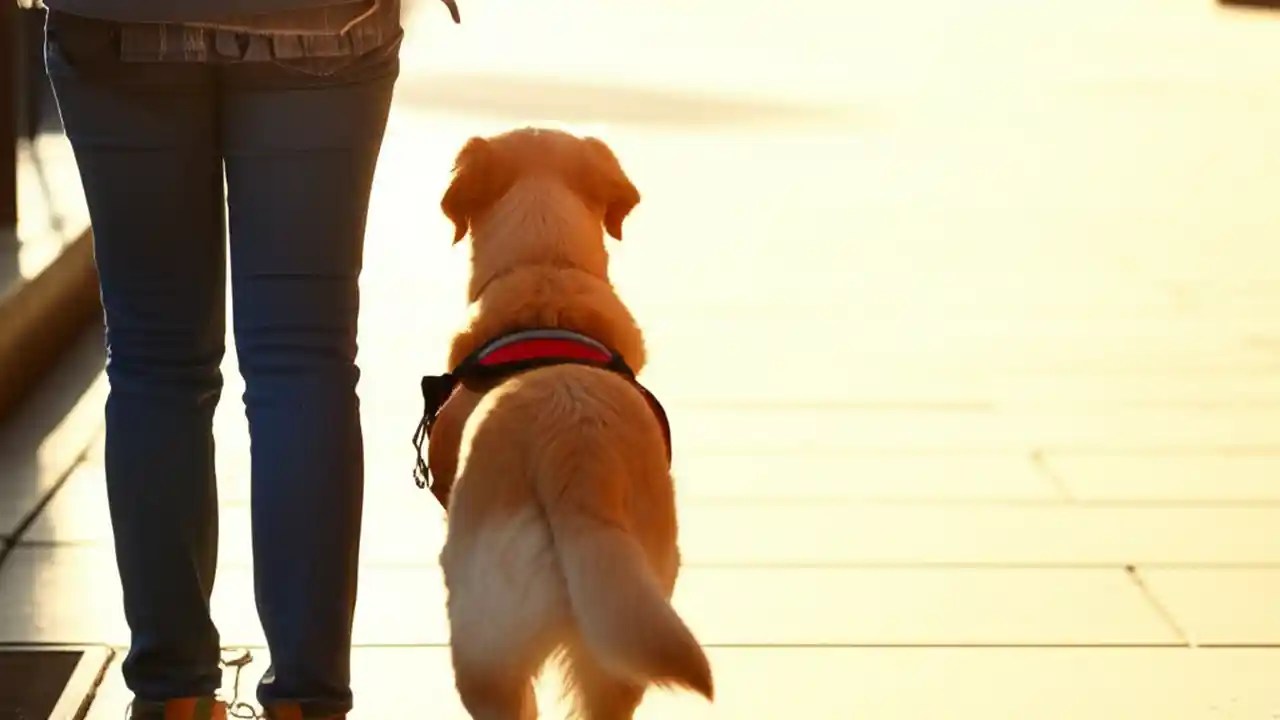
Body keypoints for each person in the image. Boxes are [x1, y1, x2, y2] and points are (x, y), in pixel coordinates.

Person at [35, 0, 408, 717]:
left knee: (153, 363)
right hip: (323, 22)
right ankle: (306, 699)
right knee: (305, 361)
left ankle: (172, 693)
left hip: (116, 23)